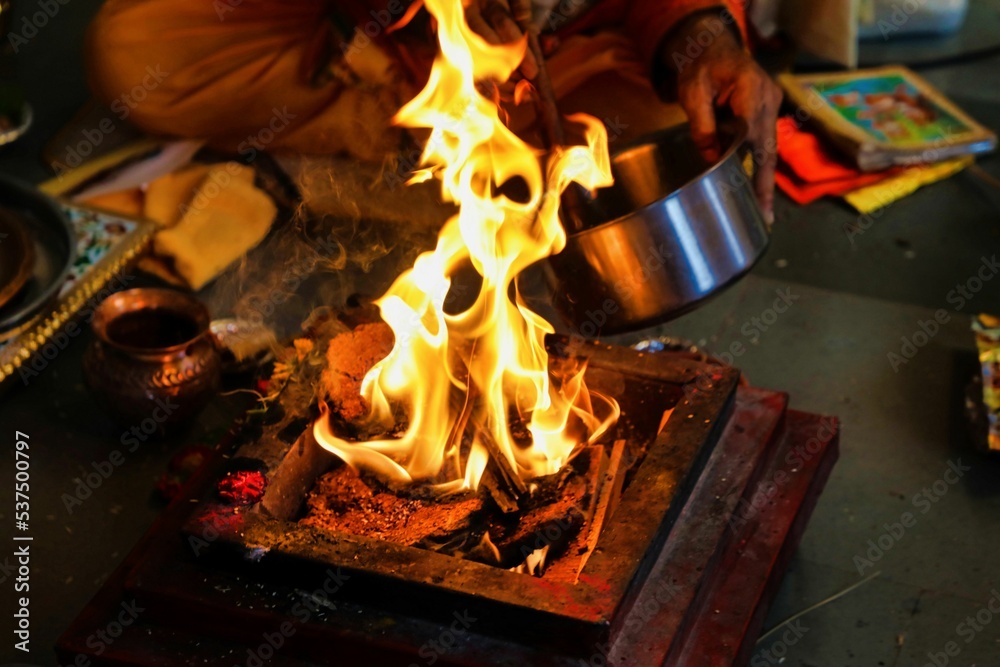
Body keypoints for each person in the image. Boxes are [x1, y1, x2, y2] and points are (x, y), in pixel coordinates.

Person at [85, 0, 781, 220]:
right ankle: (428, 131)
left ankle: (453, 139)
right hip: (365, 41)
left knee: (665, 112)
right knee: (136, 53)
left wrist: (699, 33)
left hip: (559, 56)